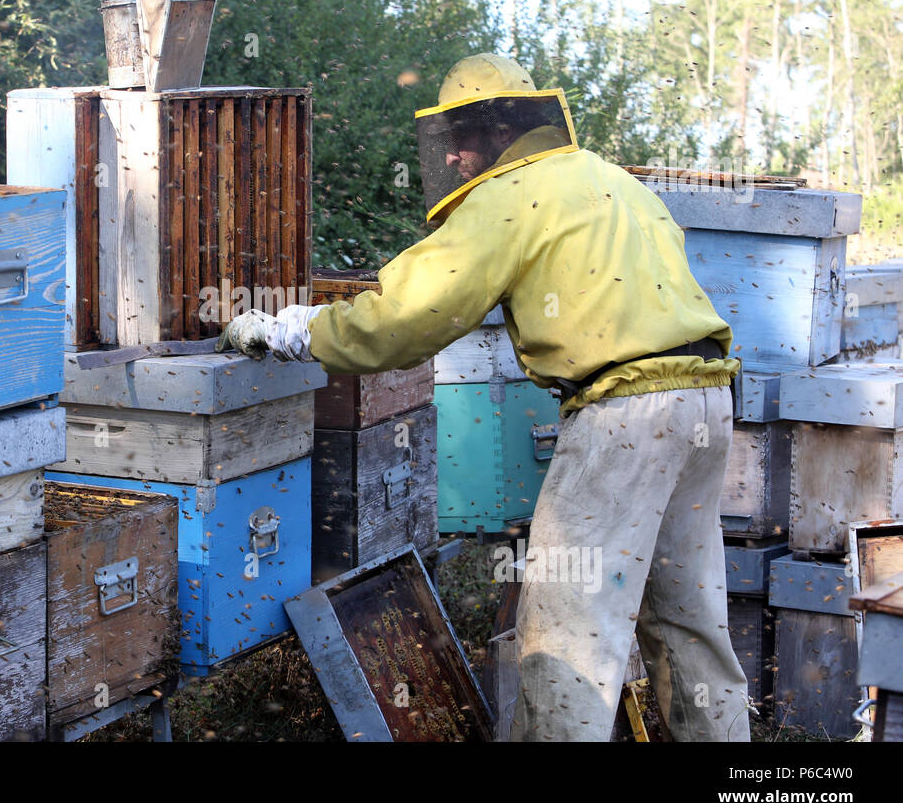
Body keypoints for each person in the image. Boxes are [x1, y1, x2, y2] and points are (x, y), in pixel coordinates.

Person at [217, 53, 752, 742]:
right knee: (689, 624)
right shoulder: (610, 180)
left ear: (500, 131)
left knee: (568, 630)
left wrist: (299, 330)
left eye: (464, 136)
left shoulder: (513, 195)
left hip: (624, 414)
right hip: (704, 401)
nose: (458, 156)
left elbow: (411, 314)